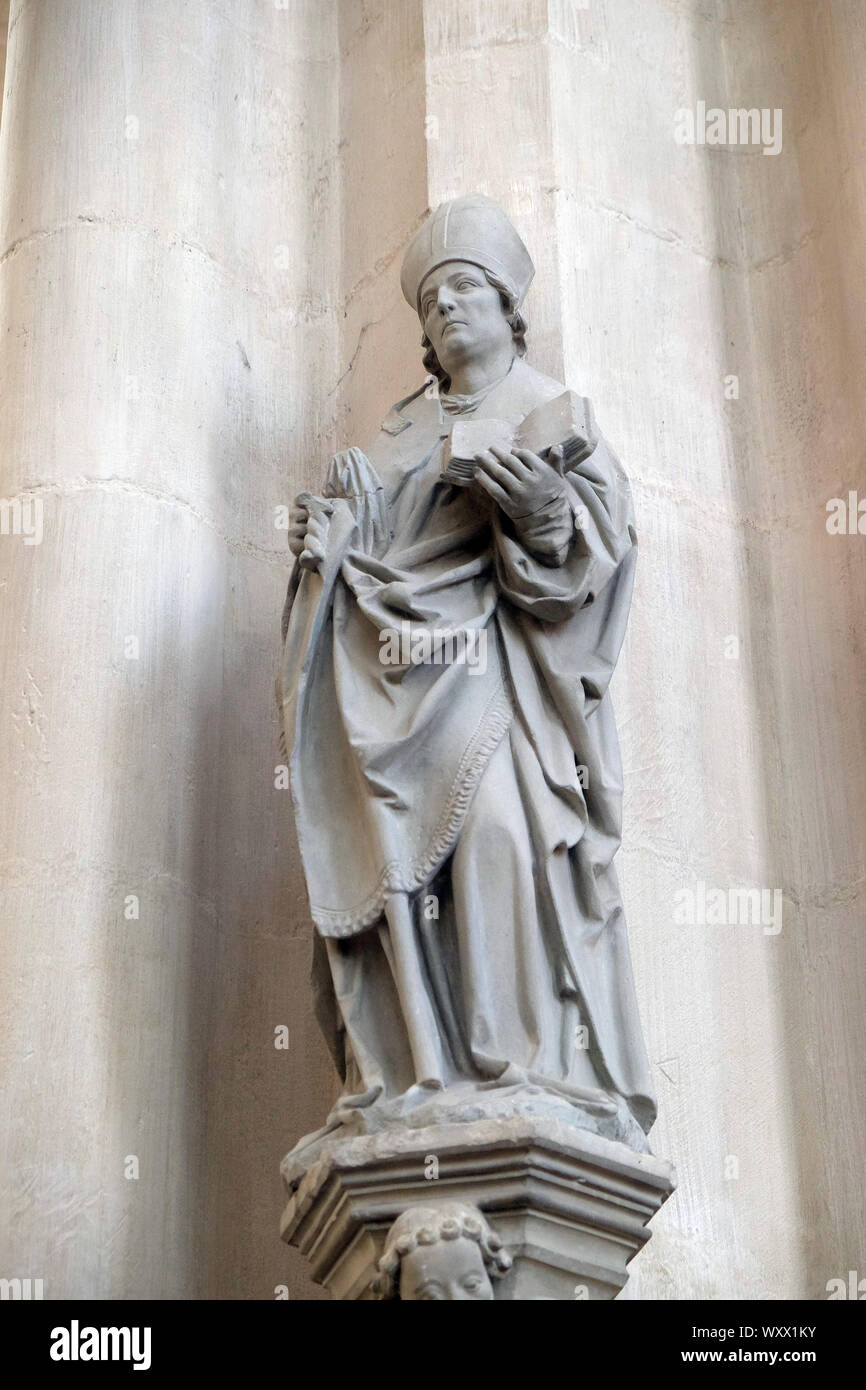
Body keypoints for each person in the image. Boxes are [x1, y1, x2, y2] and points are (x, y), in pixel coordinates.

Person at [279, 194, 655, 1175]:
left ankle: (516, 1061)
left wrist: (541, 521)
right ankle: (420, 1070)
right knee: (403, 867)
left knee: (493, 832)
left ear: (505, 307)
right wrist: (327, 548)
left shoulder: (548, 412)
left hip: (495, 678)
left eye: (465, 291)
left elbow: (596, 560)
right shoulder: (397, 435)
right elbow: (367, 564)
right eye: (431, 300)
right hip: (391, 686)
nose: (446, 310)